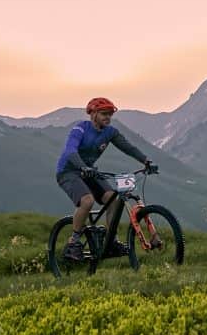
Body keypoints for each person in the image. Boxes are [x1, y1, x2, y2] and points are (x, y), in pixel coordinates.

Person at [56, 97, 157, 259]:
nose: (108, 117)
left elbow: (128, 147)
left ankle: (110, 242)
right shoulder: (80, 129)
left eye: (110, 114)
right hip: (68, 172)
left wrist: (146, 161)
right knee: (87, 201)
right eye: (104, 114)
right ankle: (73, 242)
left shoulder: (110, 132)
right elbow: (70, 151)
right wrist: (82, 167)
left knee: (113, 199)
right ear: (93, 114)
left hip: (90, 172)